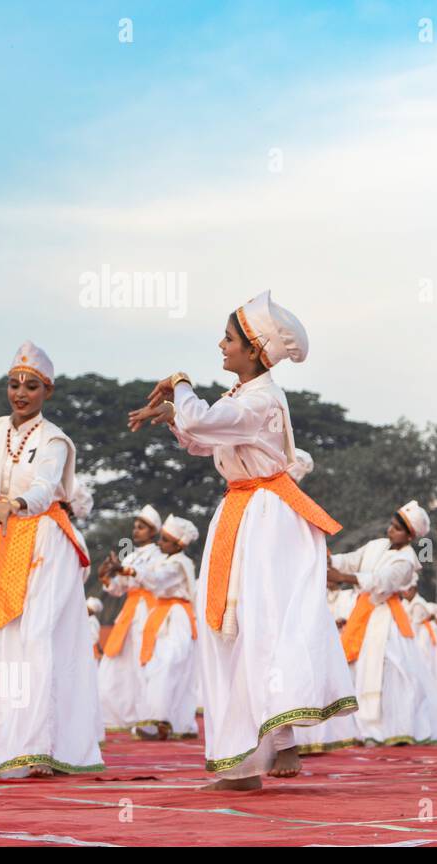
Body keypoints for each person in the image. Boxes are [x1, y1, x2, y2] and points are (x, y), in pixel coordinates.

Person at [127, 291, 357, 790]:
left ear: (253, 350)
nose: (221, 345)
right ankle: (247, 756)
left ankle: (262, 750)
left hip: (266, 517)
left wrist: (182, 385)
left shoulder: (261, 399)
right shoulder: (243, 399)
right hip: (243, 511)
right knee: (232, 630)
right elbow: (201, 435)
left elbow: (203, 422)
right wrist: (173, 415)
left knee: (259, 627)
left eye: (229, 338)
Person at [0, 341, 102, 778]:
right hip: (5, 541)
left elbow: (46, 486)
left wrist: (18, 503)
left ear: (47, 390)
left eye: (31, 386)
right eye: (14, 384)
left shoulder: (54, 439)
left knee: (37, 640)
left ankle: (37, 748)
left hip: (45, 538)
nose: (20, 393)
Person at [329, 503, 437, 746]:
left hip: (388, 621)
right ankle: (361, 727)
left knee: (391, 670)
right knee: (361, 668)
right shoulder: (376, 545)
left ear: (410, 536)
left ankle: (393, 728)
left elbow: (382, 582)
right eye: (391, 525)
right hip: (364, 615)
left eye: (397, 529)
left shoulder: (407, 560)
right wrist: (328, 560)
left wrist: (343, 578)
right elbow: (350, 560)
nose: (390, 531)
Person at [131, 514, 201, 740]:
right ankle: (163, 720)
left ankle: (170, 721)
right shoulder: (165, 560)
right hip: (159, 615)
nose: (160, 544)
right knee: (156, 666)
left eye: (165, 540)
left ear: (178, 544)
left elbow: (159, 579)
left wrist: (132, 571)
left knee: (171, 666)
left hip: (177, 617)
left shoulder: (179, 563)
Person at [97, 505, 162, 732]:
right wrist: (106, 578)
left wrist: (124, 570)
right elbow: (119, 589)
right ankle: (117, 716)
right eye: (135, 527)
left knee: (144, 663)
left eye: (142, 527)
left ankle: (148, 716)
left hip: (150, 612)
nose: (136, 531)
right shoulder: (131, 556)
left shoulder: (160, 555)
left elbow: (155, 579)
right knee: (117, 662)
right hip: (129, 612)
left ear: (153, 531)